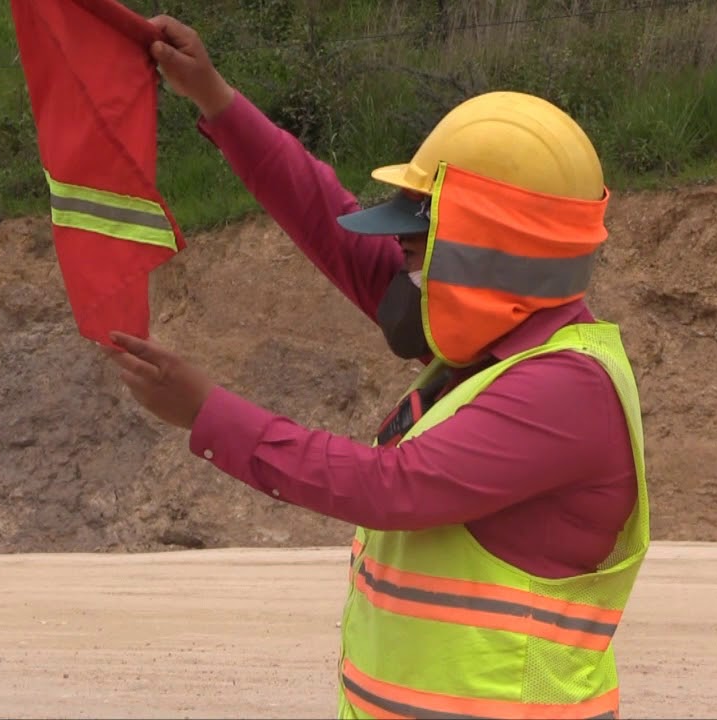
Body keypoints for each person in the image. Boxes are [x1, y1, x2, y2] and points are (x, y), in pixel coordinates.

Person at [105, 14, 650, 720]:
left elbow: (386, 487)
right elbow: (332, 228)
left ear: (486, 254)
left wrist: (208, 412)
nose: (405, 267)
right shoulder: (492, 345)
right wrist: (216, 100)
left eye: (422, 247)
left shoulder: (563, 390)